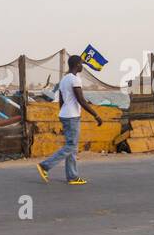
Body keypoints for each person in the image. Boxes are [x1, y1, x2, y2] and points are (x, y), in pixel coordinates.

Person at [36, 54, 103, 185]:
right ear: (77, 65)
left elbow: (61, 100)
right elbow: (81, 100)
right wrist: (96, 115)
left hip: (65, 114)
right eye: (81, 64)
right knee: (71, 146)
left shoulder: (64, 79)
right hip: (72, 116)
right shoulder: (75, 79)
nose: (82, 66)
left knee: (72, 146)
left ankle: (72, 176)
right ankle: (45, 165)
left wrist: (62, 112)